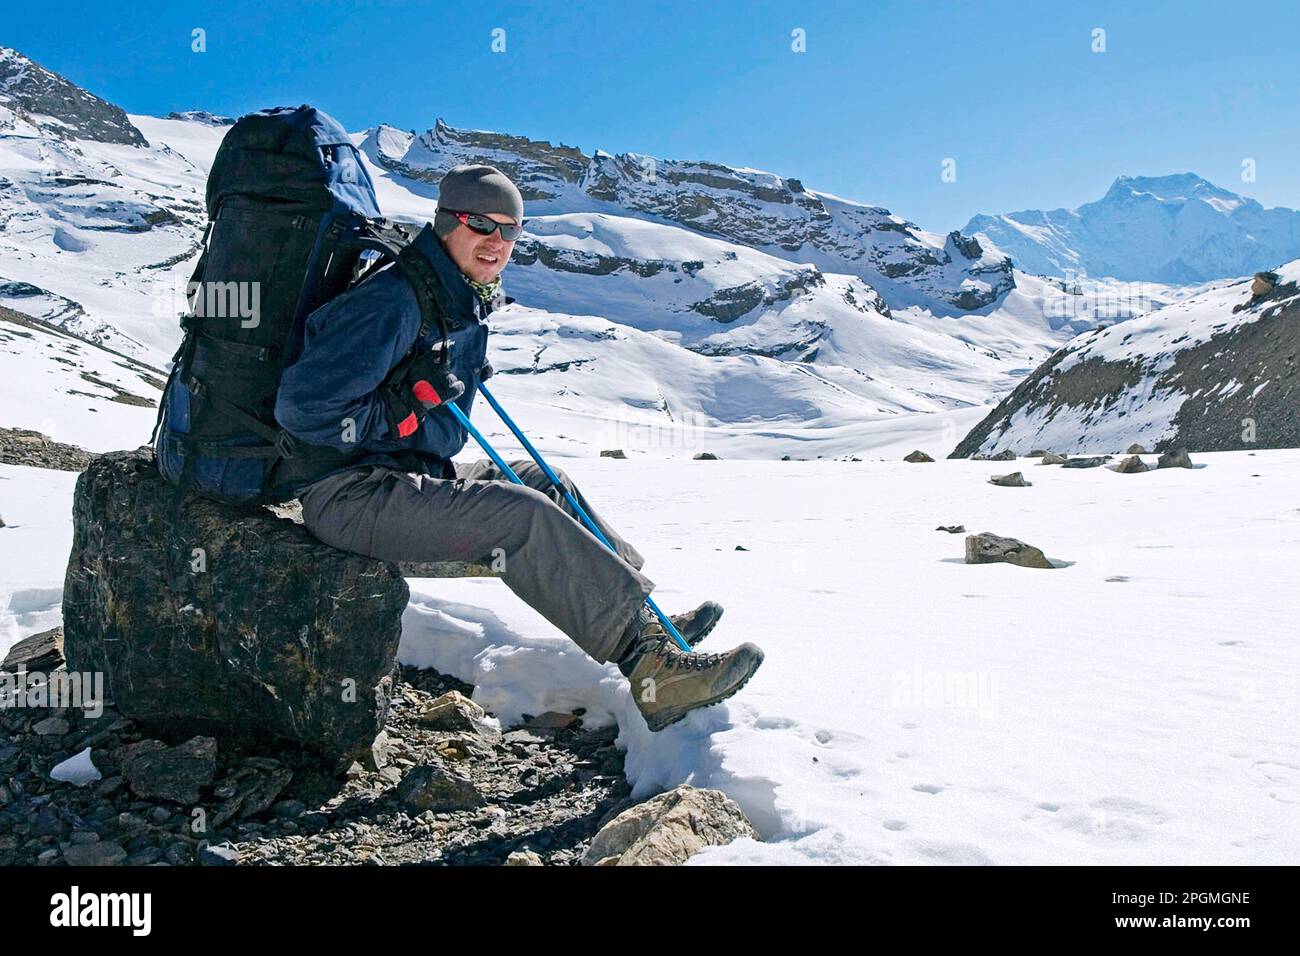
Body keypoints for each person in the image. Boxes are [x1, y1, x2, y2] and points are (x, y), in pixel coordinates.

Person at [274, 163, 763, 731]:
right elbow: (304, 411)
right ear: (444, 223)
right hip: (346, 495)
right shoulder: (392, 301)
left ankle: (642, 619)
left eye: (510, 230)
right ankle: (654, 673)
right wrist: (404, 415)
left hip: (404, 475)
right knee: (519, 515)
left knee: (544, 483)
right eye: (481, 223)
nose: (497, 242)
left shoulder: (453, 296)